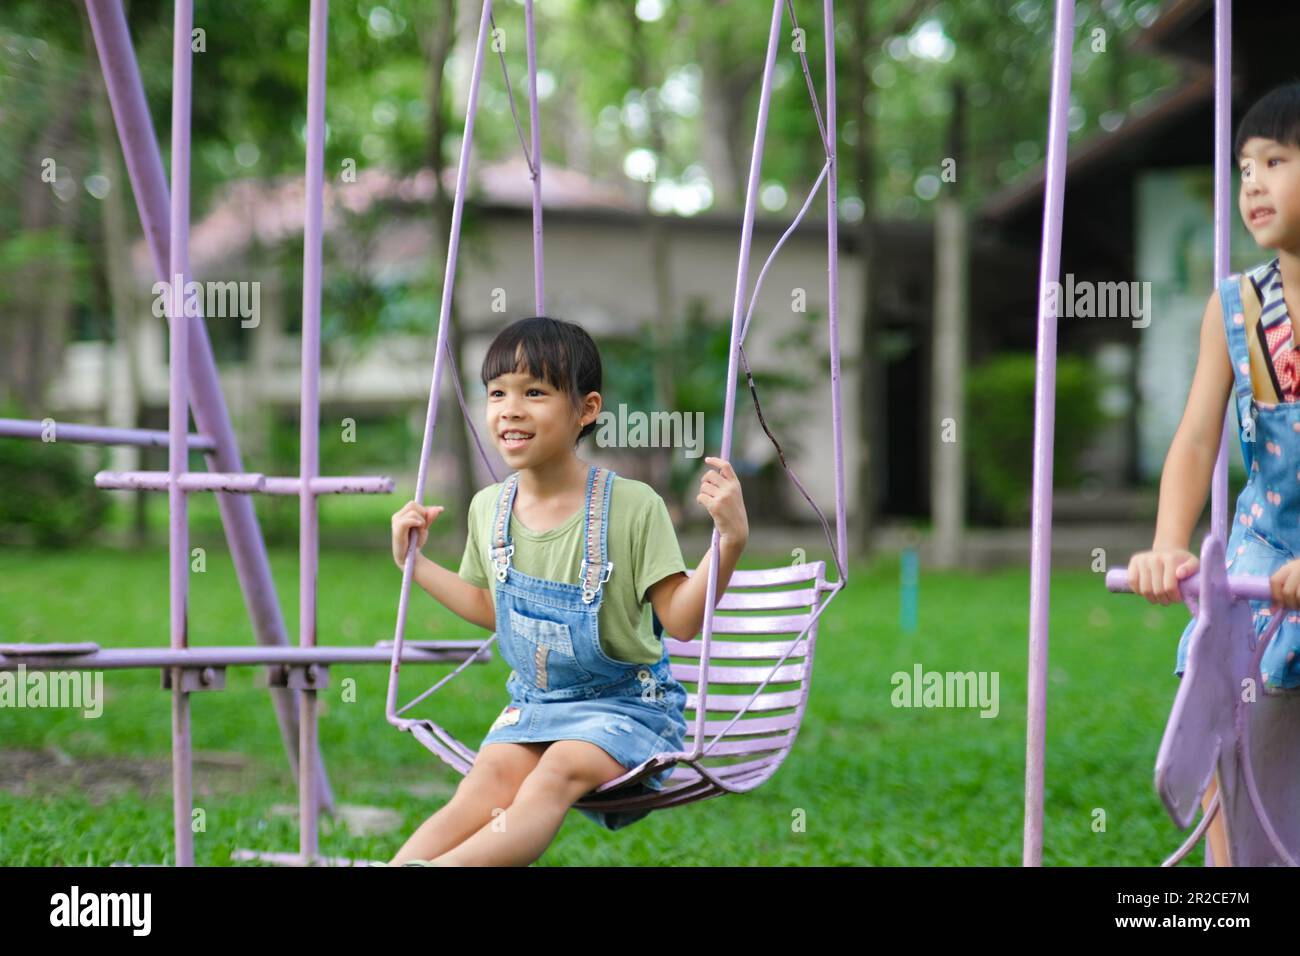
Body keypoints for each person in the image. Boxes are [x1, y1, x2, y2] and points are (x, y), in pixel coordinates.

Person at [386, 315, 749, 865]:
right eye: (497, 393)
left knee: (552, 774)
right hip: (534, 707)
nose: (510, 407)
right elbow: (492, 609)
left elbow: (679, 620)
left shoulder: (633, 506)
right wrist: (413, 563)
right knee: (482, 786)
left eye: (535, 392)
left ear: (586, 408)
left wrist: (731, 540)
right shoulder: (490, 509)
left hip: (628, 710)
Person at [1126, 81, 1300, 865]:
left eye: (1276, 160)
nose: (1253, 183)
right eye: (1243, 167)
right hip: (1263, 548)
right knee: (1221, 677)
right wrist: (1169, 542)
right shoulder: (1234, 308)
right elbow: (1196, 442)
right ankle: (1226, 875)